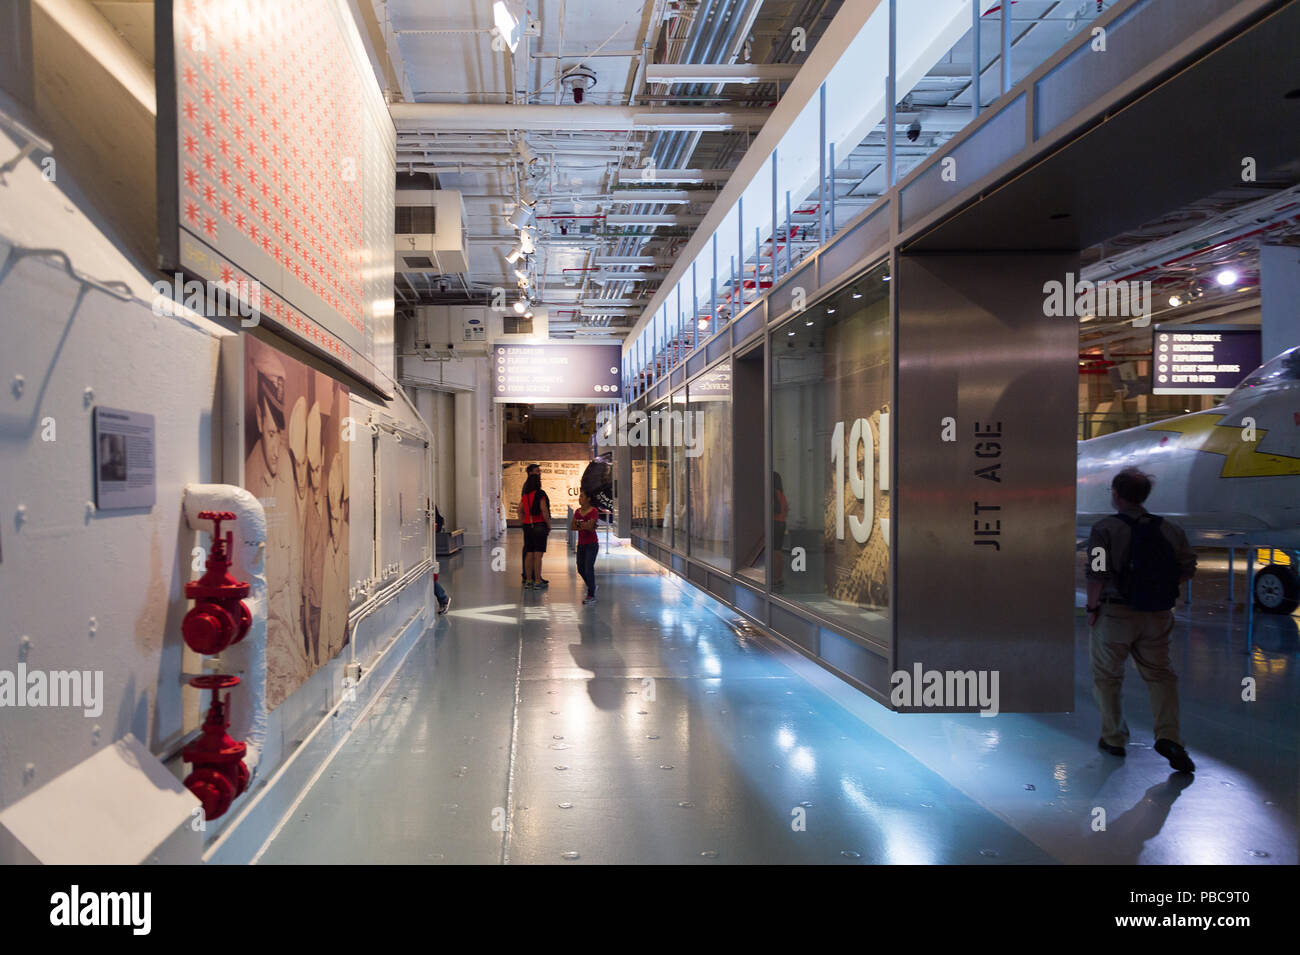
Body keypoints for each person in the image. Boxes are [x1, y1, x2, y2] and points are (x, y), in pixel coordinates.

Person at [1085, 467, 1197, 773]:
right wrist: (1156, 590)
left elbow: (1096, 574)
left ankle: (1114, 738)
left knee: (1107, 677)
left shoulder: (1104, 529)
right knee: (1161, 676)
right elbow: (1187, 568)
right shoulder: (1171, 529)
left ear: (1116, 495)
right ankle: (1169, 736)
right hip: (1158, 615)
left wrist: (1092, 609)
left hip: (1116, 615)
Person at [518, 470, 551, 589]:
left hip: (528, 526)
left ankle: (528, 580)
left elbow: (519, 510)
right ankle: (537, 581)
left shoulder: (525, 496)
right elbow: (544, 510)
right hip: (539, 525)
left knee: (529, 553)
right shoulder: (540, 494)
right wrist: (548, 524)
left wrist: (523, 521)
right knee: (538, 555)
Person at [571, 490, 600, 604]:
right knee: (580, 568)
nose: (580, 499)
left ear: (588, 499)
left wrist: (581, 524)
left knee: (588, 568)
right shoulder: (577, 512)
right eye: (579, 496)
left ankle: (591, 594)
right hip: (581, 544)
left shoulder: (593, 511)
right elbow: (573, 526)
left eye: (582, 496)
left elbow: (590, 527)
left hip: (592, 544)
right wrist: (585, 524)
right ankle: (592, 586)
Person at [434, 504, 450, 614]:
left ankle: (443, 598)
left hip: (424, 547)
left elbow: (437, 522)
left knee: (430, 577)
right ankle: (443, 598)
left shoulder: (427, 503)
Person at [772, 471, 788, 587]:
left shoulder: (772, 493)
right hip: (782, 523)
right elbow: (786, 510)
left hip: (773, 523)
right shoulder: (782, 495)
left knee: (773, 551)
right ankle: (779, 576)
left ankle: (773, 577)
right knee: (778, 551)